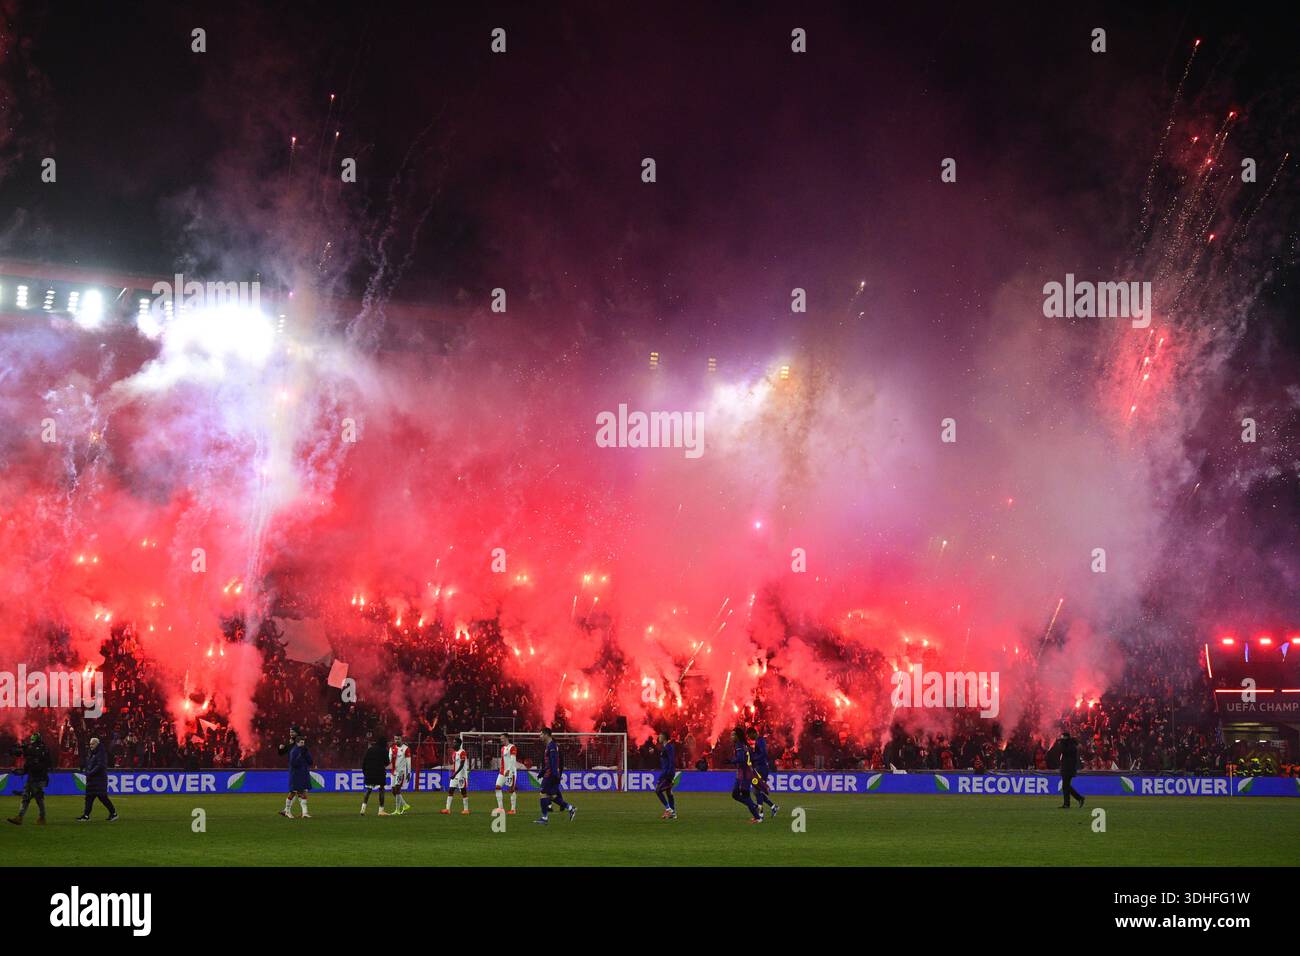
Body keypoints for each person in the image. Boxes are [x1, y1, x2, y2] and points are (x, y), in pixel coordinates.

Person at [7, 731, 53, 826]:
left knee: (36, 798)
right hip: (36, 777)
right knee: (29, 797)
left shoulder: (34, 749)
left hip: (37, 778)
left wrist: (20, 749)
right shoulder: (43, 749)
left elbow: (21, 753)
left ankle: (41, 817)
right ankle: (21, 817)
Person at [533, 727, 575, 825]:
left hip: (550, 775)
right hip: (549, 773)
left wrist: (554, 775)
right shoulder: (550, 746)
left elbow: (554, 762)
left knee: (543, 793)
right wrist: (542, 772)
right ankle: (570, 808)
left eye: (541, 734)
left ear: (546, 734)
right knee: (550, 796)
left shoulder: (552, 746)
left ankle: (544, 818)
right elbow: (550, 763)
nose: (540, 736)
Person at [76, 736, 118, 822]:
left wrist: (90, 773)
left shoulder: (101, 753)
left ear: (97, 744)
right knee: (89, 798)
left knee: (102, 798)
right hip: (92, 780)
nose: (91, 745)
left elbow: (100, 766)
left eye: (92, 744)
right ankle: (86, 815)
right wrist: (83, 767)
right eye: (90, 744)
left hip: (99, 780)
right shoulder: (92, 753)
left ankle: (113, 813)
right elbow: (90, 764)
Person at [730, 728, 761, 823]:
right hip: (743, 773)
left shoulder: (739, 745)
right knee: (735, 794)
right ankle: (754, 806)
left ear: (737, 736)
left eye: (733, 735)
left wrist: (730, 761)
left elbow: (741, 758)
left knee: (744, 795)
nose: (731, 737)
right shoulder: (744, 745)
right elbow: (751, 757)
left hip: (744, 774)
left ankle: (758, 817)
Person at [748, 729, 779, 819]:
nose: (749, 738)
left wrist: (754, 758)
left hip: (762, 768)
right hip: (759, 767)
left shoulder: (760, 741)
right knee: (756, 791)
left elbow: (764, 754)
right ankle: (773, 807)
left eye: (750, 735)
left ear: (753, 733)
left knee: (757, 790)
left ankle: (760, 814)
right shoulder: (759, 741)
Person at [280, 736, 313, 819]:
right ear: (297, 743)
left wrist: (306, 754)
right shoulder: (294, 751)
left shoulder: (305, 750)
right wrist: (301, 755)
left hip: (304, 773)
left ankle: (304, 812)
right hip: (295, 774)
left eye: (303, 742)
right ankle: (287, 811)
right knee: (293, 792)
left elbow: (310, 762)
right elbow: (293, 764)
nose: (303, 744)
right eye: (301, 742)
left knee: (304, 792)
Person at [360, 734, 390, 816]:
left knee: (368, 790)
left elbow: (364, 762)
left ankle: (363, 809)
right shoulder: (384, 750)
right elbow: (387, 763)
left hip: (369, 773)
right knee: (381, 790)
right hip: (379, 773)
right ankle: (381, 810)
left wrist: (365, 772)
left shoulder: (370, 749)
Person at [1055, 731, 1085, 808]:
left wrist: (1061, 742)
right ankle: (1077, 799)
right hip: (1067, 768)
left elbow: (1064, 751)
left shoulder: (1071, 745)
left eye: (1062, 737)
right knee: (1066, 786)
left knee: (1065, 786)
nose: (1061, 738)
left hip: (1068, 768)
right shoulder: (1070, 744)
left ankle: (1068, 803)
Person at [442, 734, 470, 815]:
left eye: (455, 743)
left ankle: (466, 810)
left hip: (461, 776)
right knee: (450, 791)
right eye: (453, 742)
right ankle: (447, 809)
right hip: (455, 775)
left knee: (463, 792)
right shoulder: (454, 753)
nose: (453, 744)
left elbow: (461, 765)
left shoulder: (462, 752)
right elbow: (455, 765)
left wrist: (455, 774)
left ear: (459, 744)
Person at [654, 732, 677, 819]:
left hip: (667, 774)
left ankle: (669, 809)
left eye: (660, 736)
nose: (658, 737)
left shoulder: (669, 747)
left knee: (658, 790)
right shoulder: (665, 748)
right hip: (667, 772)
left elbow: (671, 761)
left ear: (663, 737)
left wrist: (669, 774)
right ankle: (673, 813)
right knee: (668, 792)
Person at [494, 732, 518, 815]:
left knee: (511, 790)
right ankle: (500, 808)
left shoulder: (512, 747)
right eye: (500, 739)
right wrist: (502, 769)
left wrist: (508, 770)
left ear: (507, 738)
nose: (501, 740)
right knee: (497, 787)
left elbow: (513, 760)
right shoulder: (502, 748)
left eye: (502, 738)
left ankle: (513, 809)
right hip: (502, 772)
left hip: (510, 772)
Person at [389, 733, 413, 815]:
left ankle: (397, 810)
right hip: (393, 772)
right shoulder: (392, 748)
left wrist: (409, 773)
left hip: (401, 772)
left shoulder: (406, 749)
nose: (396, 741)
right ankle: (405, 805)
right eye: (395, 739)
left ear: (401, 739)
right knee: (393, 791)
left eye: (398, 739)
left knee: (397, 789)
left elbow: (408, 762)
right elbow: (388, 760)